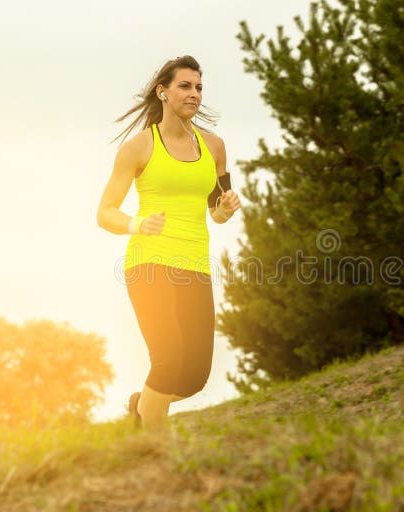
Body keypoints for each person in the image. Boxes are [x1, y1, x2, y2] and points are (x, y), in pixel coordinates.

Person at [96, 55, 241, 431]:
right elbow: (105, 212)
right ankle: (153, 448)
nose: (194, 94)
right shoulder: (139, 147)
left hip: (194, 265)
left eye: (198, 88)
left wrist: (226, 209)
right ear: (163, 92)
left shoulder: (215, 147)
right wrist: (138, 223)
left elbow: (216, 210)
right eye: (185, 86)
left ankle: (142, 406)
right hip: (149, 263)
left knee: (194, 377)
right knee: (168, 358)